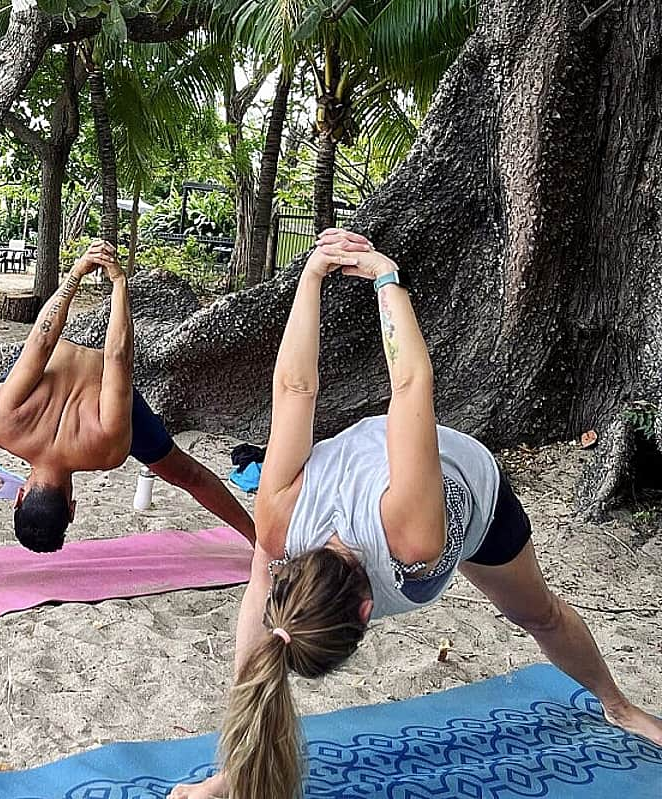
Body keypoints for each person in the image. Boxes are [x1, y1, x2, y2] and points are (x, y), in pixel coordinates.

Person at [169, 229, 662, 799]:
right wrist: (374, 275)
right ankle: (235, 771)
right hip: (431, 510)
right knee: (263, 647)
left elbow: (321, 387)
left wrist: (324, 276)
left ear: (365, 610)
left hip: (469, 486)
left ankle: (618, 705)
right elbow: (362, 385)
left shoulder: (282, 526)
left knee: (541, 614)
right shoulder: (381, 540)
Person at [0, 239, 255, 584]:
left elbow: (117, 359)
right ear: (19, 496)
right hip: (66, 399)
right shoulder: (9, 427)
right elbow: (46, 340)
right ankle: (260, 540)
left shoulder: (105, 451)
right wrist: (82, 273)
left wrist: (116, 285)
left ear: (72, 507)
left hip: (92, 404)